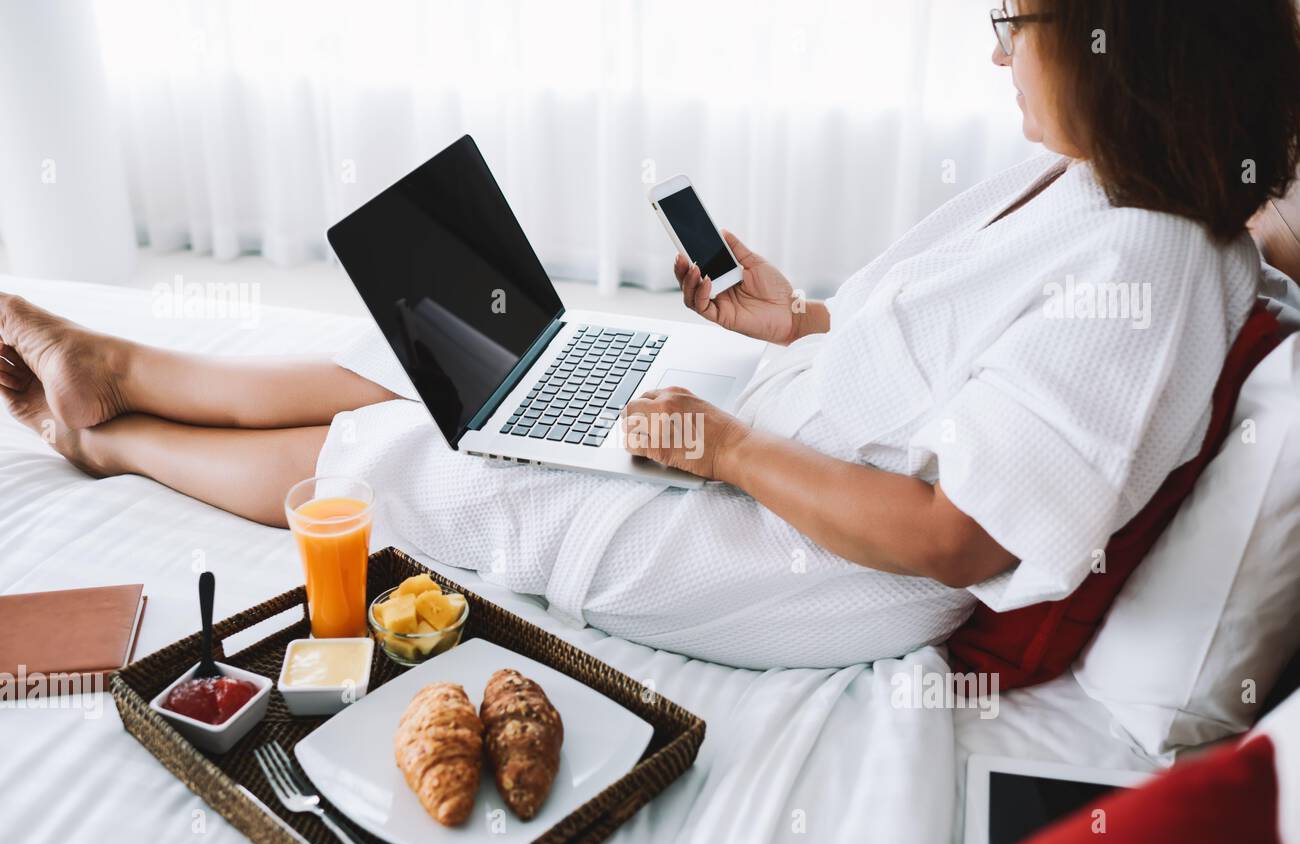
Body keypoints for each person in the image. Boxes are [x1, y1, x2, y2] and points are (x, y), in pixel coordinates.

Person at [4, 0, 1299, 669]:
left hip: (817, 558)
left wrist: (725, 451)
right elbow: (969, 359)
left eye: (1015, 25)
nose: (998, 54)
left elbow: (955, 531)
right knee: (479, 359)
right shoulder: (1101, 184)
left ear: (1123, 50)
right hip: (782, 437)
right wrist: (801, 321)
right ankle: (119, 366)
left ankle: (111, 441)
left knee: (423, 455)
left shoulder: (1155, 262)